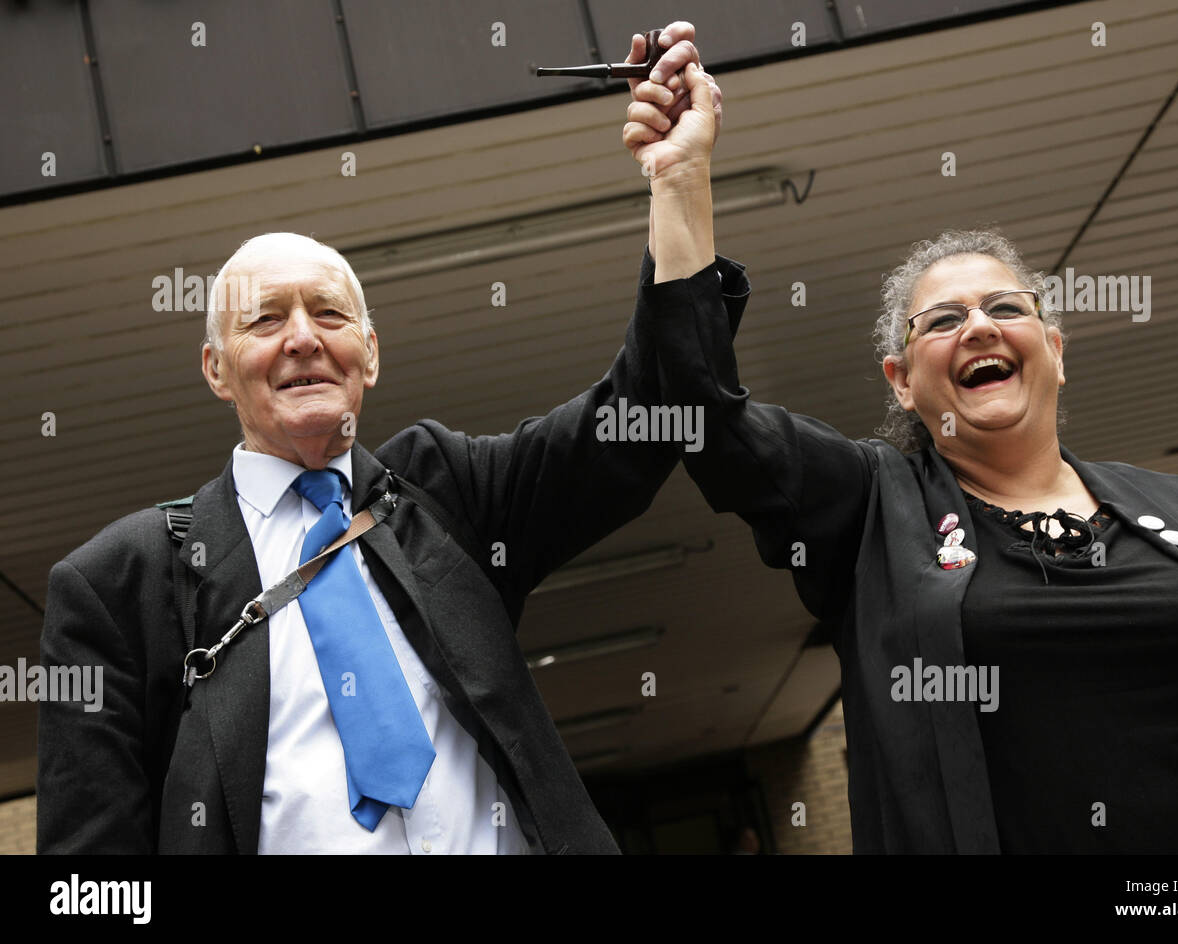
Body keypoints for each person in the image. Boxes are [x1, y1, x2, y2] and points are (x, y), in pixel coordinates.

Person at [36, 23, 728, 854]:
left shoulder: (446, 494)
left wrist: (679, 179)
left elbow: (648, 416)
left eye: (329, 313)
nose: (302, 337)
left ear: (370, 353)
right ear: (216, 370)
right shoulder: (122, 582)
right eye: (265, 319)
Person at [623, 42, 1178, 853]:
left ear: (1055, 347)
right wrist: (679, 178)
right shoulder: (871, 510)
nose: (977, 326)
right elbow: (706, 411)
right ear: (902, 380)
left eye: (1004, 308)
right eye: (941, 322)